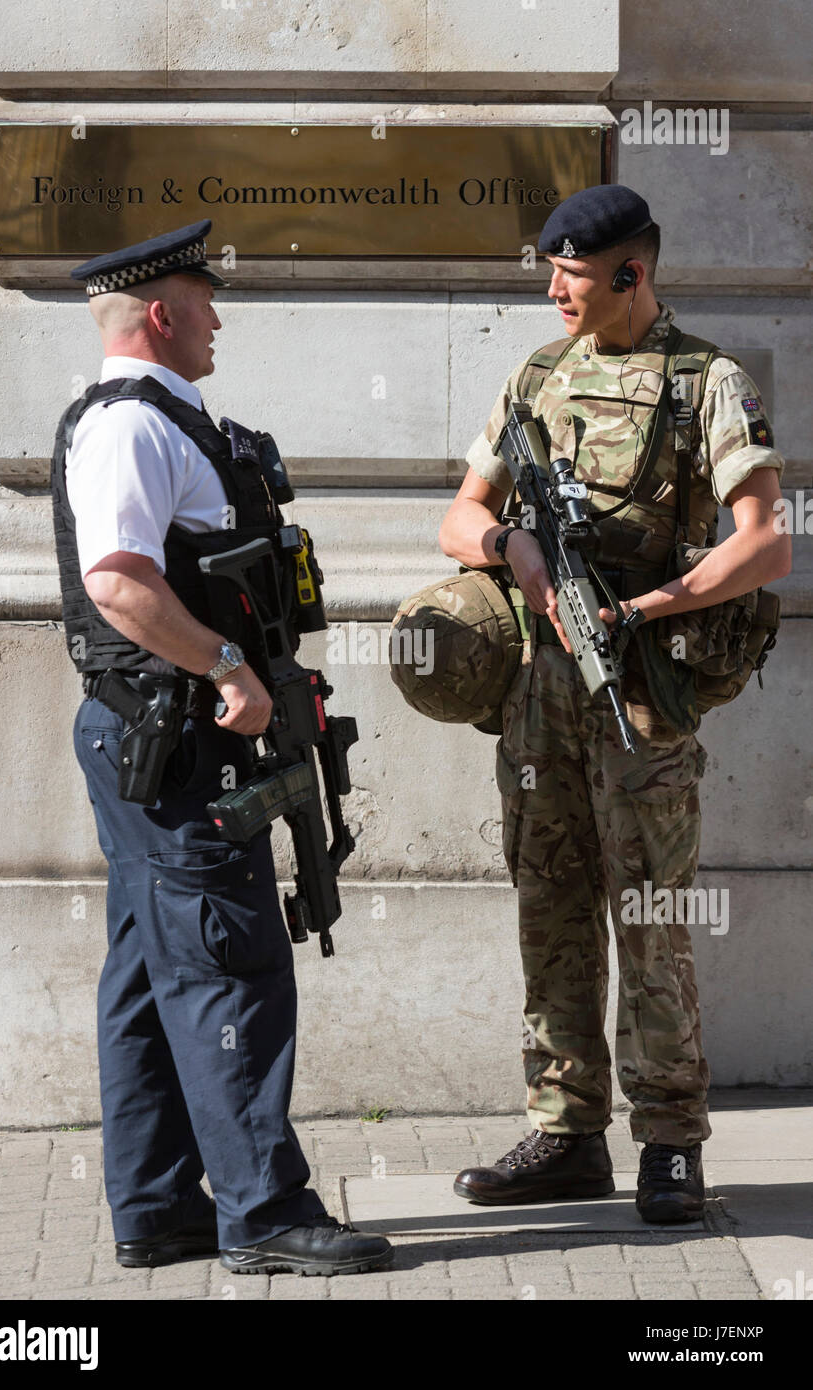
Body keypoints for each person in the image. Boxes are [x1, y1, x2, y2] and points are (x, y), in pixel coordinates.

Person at [438, 185, 791, 1222]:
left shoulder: (703, 382)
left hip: (640, 696)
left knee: (649, 918)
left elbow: (764, 538)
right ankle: (564, 1127)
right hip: (537, 700)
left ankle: (670, 1139)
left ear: (629, 274)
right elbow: (458, 514)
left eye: (574, 276)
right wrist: (512, 546)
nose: (554, 291)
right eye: (548, 271)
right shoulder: (537, 376)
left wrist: (645, 604)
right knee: (548, 906)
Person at [52, 219, 392, 1276]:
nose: (218, 317)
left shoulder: (174, 424)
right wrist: (224, 666)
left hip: (172, 736)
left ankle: (156, 1206)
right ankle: (264, 1209)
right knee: (227, 965)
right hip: (178, 738)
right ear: (161, 311)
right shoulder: (131, 427)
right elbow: (117, 581)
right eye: (205, 298)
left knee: (154, 973)